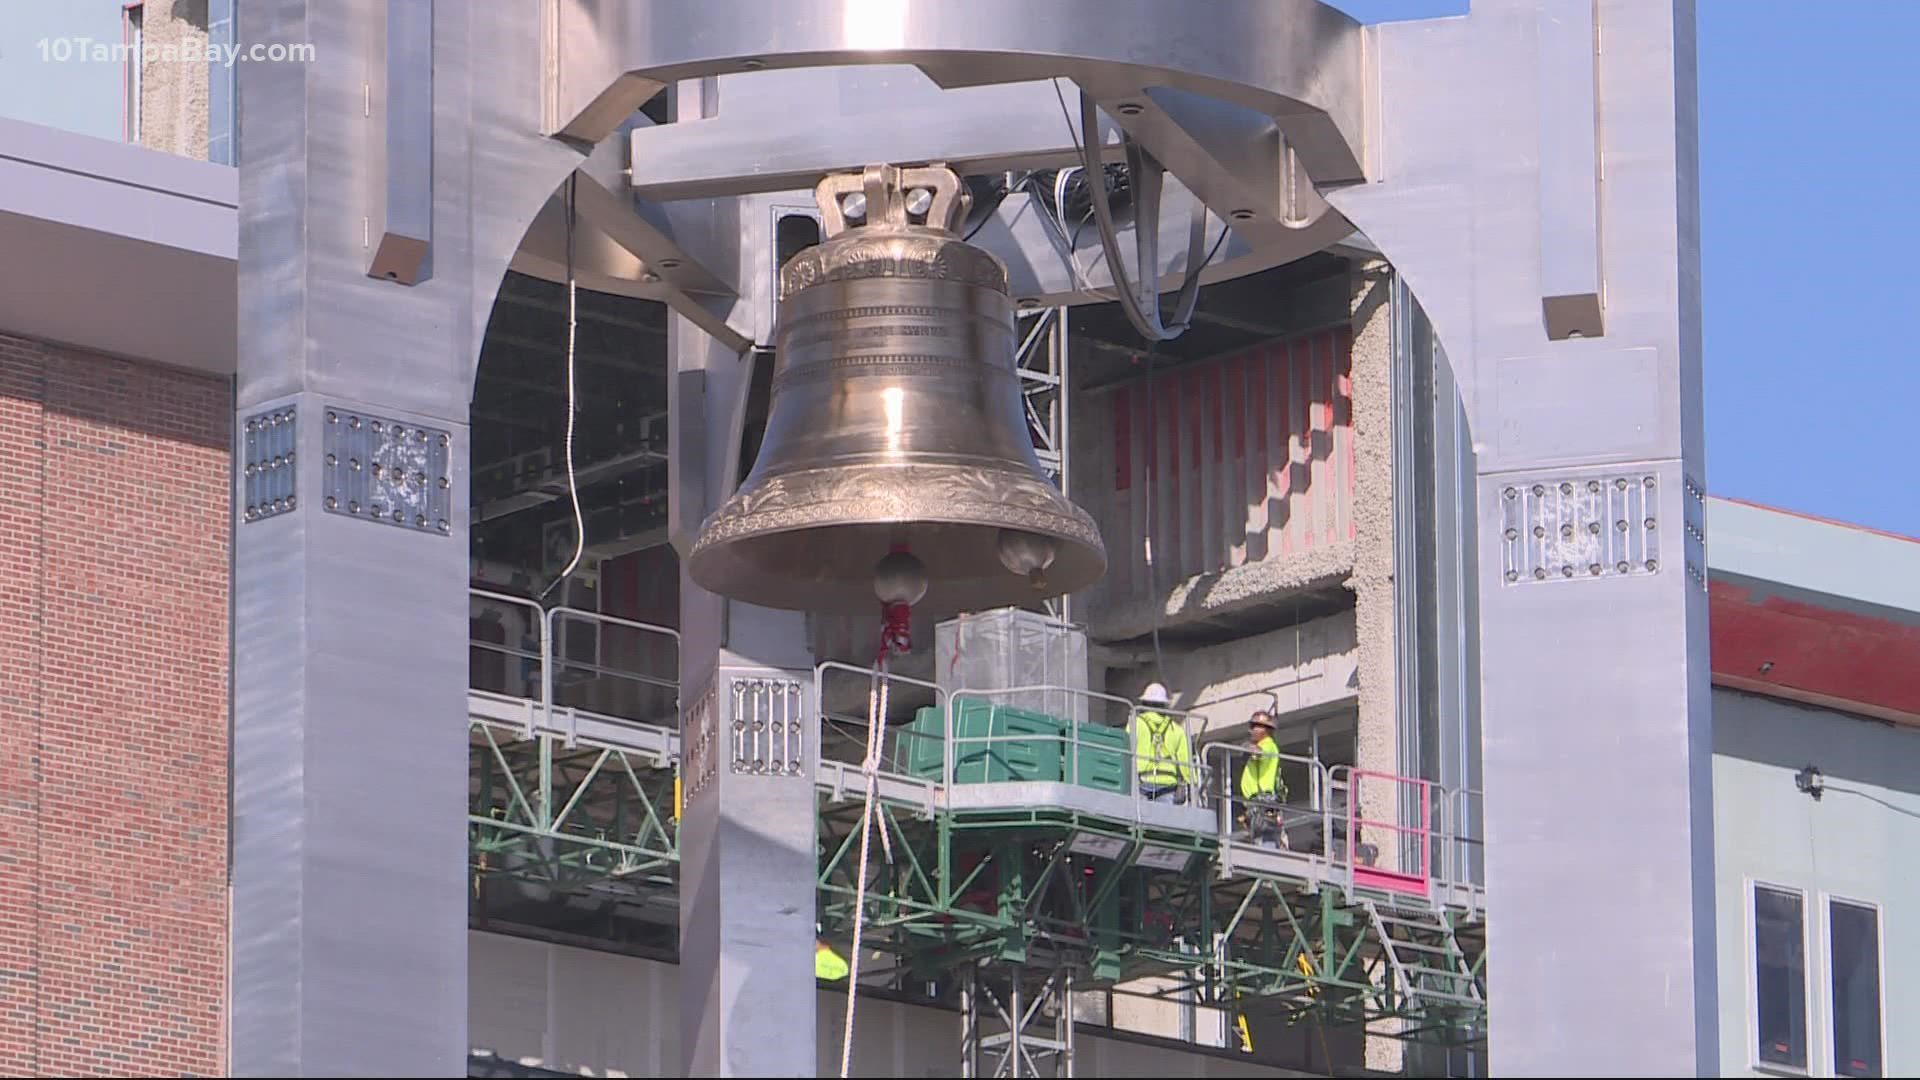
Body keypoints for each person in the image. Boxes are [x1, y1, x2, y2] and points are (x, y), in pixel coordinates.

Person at [1133, 683, 1193, 803]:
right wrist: (1192, 784)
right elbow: (1186, 763)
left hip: (1142, 780)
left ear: (1145, 703)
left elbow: (1127, 751)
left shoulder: (1135, 724)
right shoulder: (1177, 729)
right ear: (1164, 705)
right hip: (1167, 783)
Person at [1239, 711, 1287, 848]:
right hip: (1257, 802)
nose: (1252, 730)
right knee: (1260, 839)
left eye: (1256, 727)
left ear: (1265, 730)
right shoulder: (1266, 745)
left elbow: (1259, 753)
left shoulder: (1268, 745)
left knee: (1265, 842)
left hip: (1262, 801)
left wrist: (1247, 747)